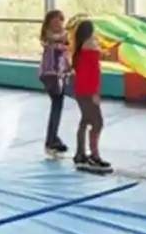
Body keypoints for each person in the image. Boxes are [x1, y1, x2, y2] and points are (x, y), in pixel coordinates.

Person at [70, 19, 111, 173]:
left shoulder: (80, 48)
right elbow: (92, 73)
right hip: (87, 90)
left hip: (81, 89)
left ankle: (80, 153)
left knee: (85, 120)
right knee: (97, 122)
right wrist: (94, 92)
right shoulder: (90, 47)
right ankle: (94, 155)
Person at [38, 10, 70, 157]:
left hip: (57, 75)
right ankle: (51, 139)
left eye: (60, 21)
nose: (59, 24)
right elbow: (57, 47)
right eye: (56, 21)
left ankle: (53, 137)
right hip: (51, 75)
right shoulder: (50, 39)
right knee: (56, 106)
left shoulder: (59, 38)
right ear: (50, 22)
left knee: (57, 106)